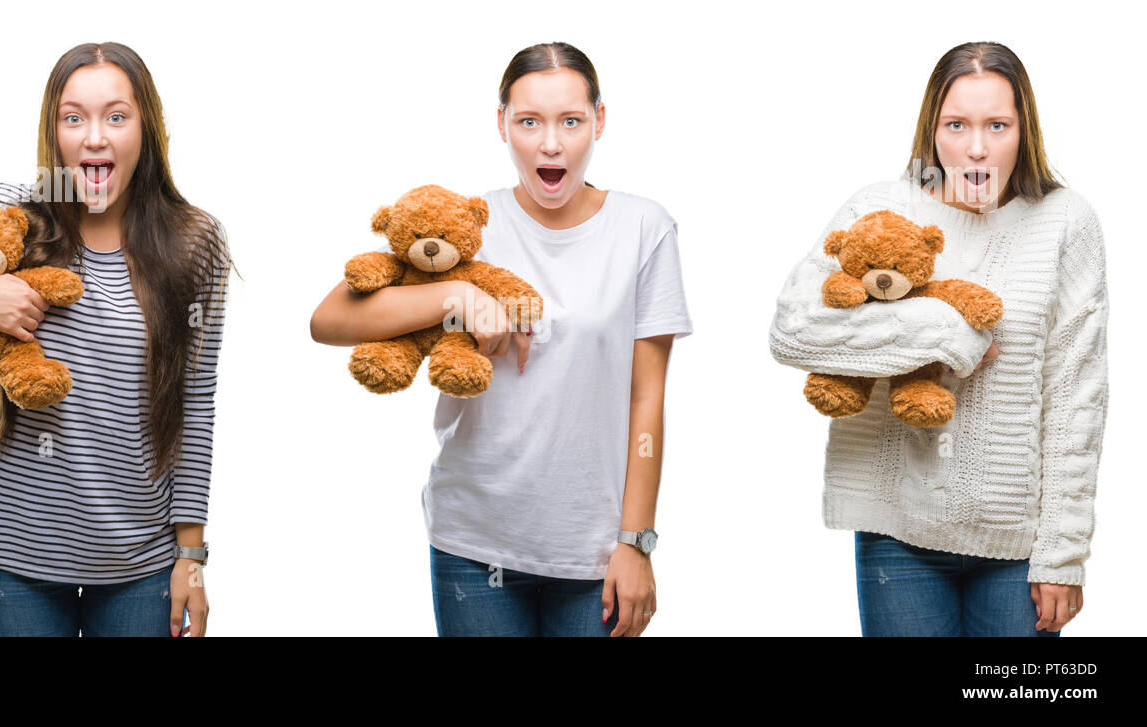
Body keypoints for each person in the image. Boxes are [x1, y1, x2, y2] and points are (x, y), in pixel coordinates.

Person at [310, 42, 692, 636]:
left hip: (593, 550)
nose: (551, 144)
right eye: (529, 122)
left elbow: (647, 398)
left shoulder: (644, 228)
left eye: (571, 121)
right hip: (473, 542)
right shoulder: (466, 225)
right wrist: (453, 296)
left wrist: (635, 541)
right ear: (501, 124)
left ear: (600, 120)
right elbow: (329, 320)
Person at [0, 42, 232, 637]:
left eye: (116, 116)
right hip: (11, 553)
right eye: (74, 117)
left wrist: (191, 559)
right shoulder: (8, 215)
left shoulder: (194, 243)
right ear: (54, 131)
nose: (94, 137)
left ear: (147, 127)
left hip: (139, 561)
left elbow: (193, 405)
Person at [769, 41, 1108, 636]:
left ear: (1024, 131)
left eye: (997, 126)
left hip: (1018, 545)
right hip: (897, 535)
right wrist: (951, 332)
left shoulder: (1065, 221)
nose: (976, 148)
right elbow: (794, 332)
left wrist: (1063, 553)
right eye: (957, 125)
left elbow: (1077, 400)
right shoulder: (879, 207)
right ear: (933, 129)